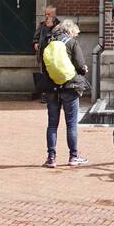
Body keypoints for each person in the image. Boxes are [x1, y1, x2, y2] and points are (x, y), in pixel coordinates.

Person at [43, 19, 89, 168]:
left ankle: (51, 158)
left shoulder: (48, 42)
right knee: (71, 125)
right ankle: (73, 157)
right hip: (70, 87)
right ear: (71, 31)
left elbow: (44, 67)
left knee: (52, 125)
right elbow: (81, 66)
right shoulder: (71, 43)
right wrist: (84, 70)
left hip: (52, 88)